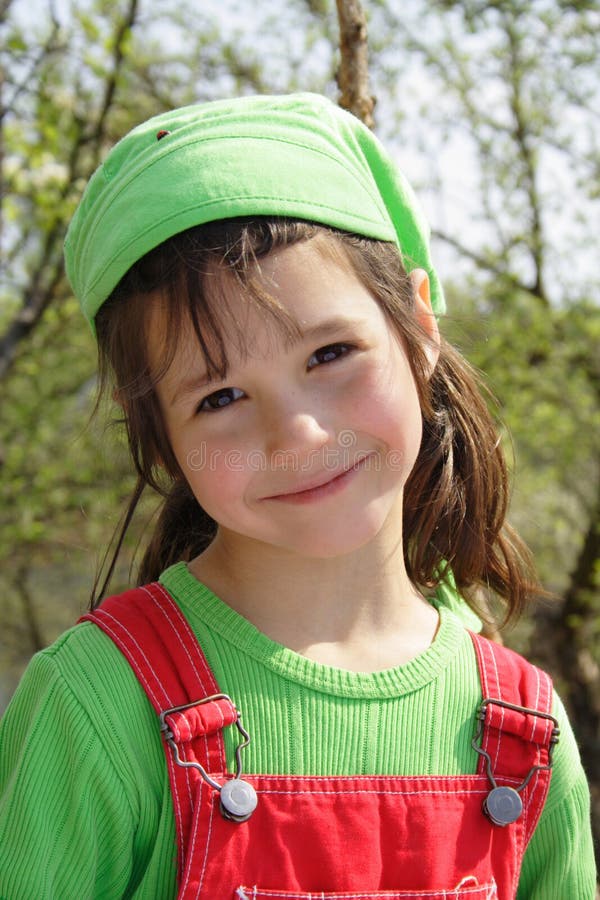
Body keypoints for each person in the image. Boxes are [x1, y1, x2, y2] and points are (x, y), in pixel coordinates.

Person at [0, 93, 595, 899]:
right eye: (219, 398)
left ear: (419, 327)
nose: (300, 435)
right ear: (159, 440)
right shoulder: (98, 703)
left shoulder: (523, 729)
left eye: (331, 354)